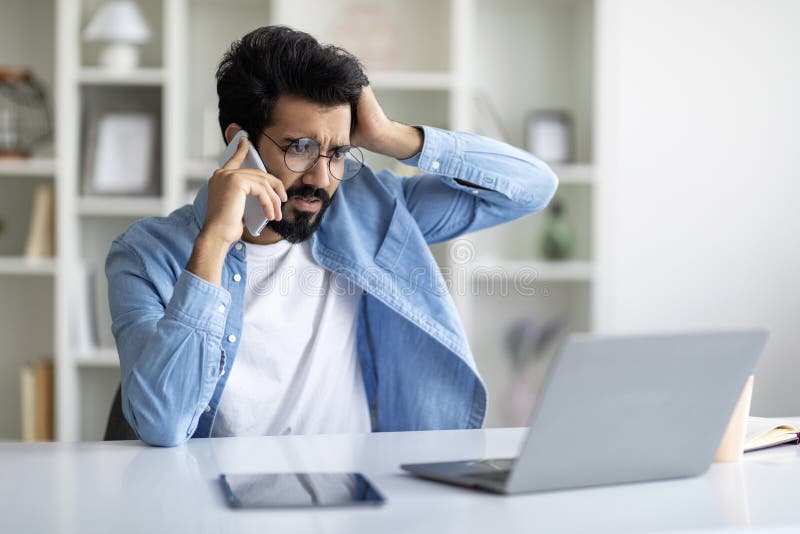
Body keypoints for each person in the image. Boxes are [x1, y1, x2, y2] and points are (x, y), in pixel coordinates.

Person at [105, 26, 558, 447]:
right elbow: (161, 423)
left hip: (359, 498)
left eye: (338, 152)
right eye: (299, 148)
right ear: (237, 142)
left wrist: (392, 136)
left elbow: (533, 187)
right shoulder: (145, 256)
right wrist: (212, 244)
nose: (322, 178)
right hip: (218, 504)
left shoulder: (368, 210)